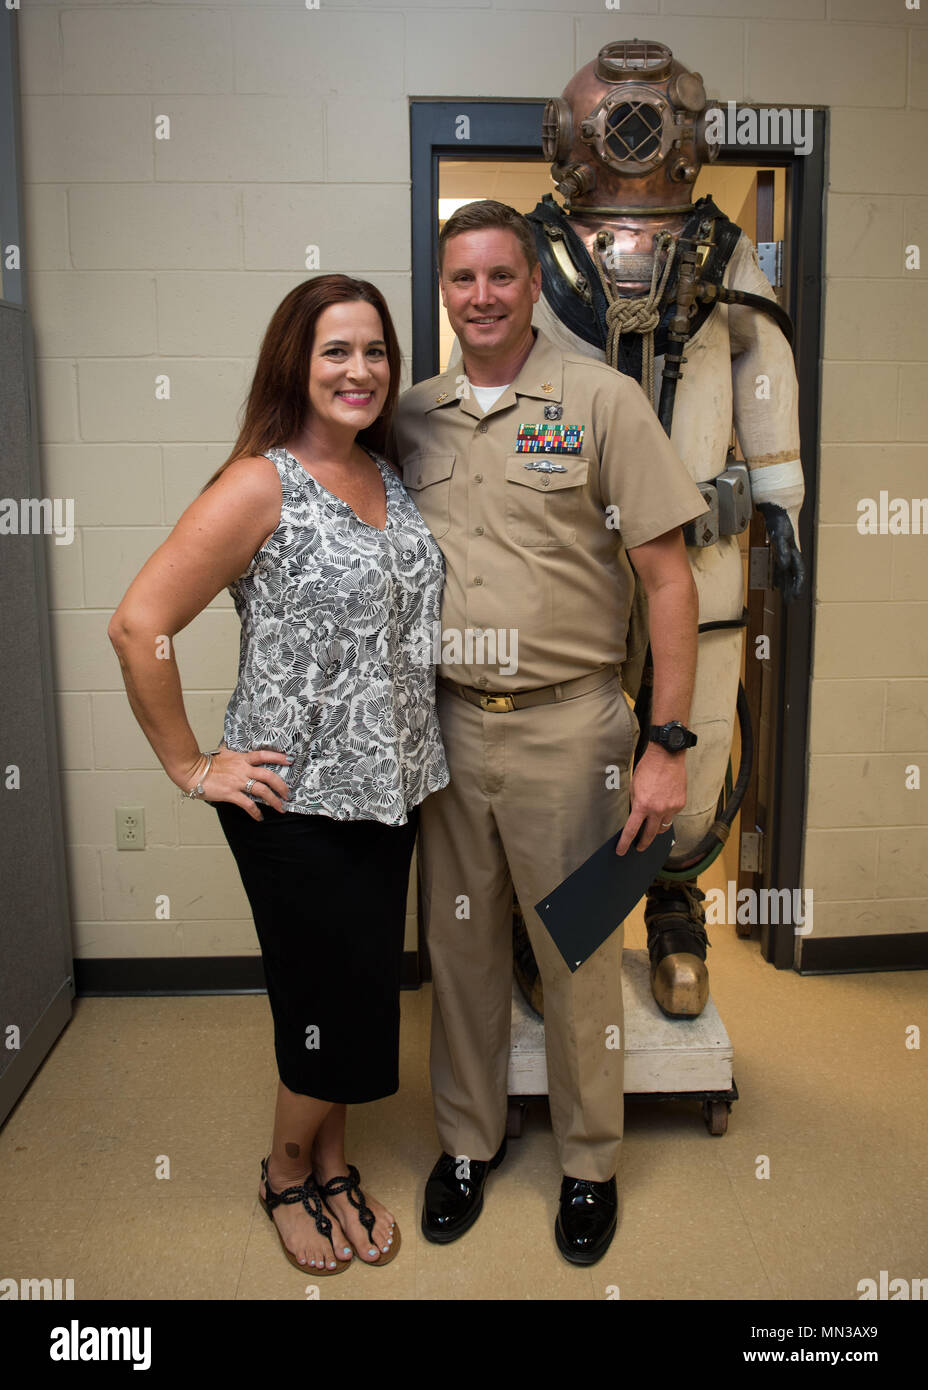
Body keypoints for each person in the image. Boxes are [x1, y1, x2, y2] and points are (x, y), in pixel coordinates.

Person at [108, 274, 449, 1276]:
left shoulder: (386, 475)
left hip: (389, 793)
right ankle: (285, 1172)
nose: (360, 369)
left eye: (376, 350)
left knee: (351, 990)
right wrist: (189, 763)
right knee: (326, 998)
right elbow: (138, 626)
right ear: (295, 365)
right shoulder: (263, 483)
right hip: (293, 800)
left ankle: (334, 1164)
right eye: (336, 350)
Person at [391, 199, 707, 1264]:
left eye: (499, 277)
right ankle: (470, 1142)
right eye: (461, 279)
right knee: (463, 950)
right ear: (443, 289)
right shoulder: (412, 415)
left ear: (533, 283)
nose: (480, 297)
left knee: (576, 954)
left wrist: (666, 741)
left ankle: (588, 1164)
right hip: (446, 726)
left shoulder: (602, 400)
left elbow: (667, 578)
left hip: (572, 731)